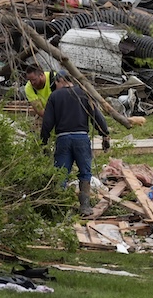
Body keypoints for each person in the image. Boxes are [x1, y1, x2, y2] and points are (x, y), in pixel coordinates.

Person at [39, 71, 110, 215]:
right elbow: (96, 115)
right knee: (85, 172)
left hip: (63, 139)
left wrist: (43, 142)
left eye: (55, 84)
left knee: (61, 173)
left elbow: (47, 122)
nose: (55, 87)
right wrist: (105, 134)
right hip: (81, 139)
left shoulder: (54, 96)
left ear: (59, 80)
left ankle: (59, 208)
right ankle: (85, 207)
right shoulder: (84, 93)